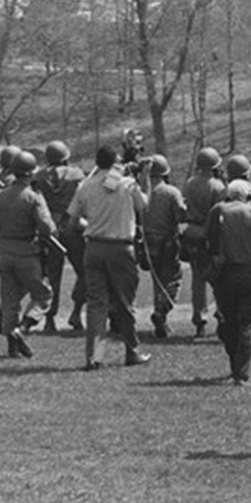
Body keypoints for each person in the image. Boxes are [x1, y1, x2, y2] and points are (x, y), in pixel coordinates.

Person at [67, 145, 150, 370]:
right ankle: (132, 351)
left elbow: (73, 222)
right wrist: (144, 177)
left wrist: (92, 225)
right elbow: (144, 206)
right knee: (124, 303)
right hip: (120, 248)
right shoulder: (126, 184)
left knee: (97, 305)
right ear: (115, 164)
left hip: (93, 247)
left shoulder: (85, 186)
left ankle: (95, 356)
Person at [0, 151, 56, 357]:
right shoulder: (33, 197)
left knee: (9, 301)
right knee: (43, 295)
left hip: (4, 253)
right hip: (27, 253)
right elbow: (47, 228)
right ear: (31, 173)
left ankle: (12, 349)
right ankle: (22, 329)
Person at [206, 179, 251, 384]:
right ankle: (241, 373)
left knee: (228, 321)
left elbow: (207, 237)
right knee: (248, 323)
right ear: (248, 195)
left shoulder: (217, 211)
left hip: (224, 273)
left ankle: (234, 366)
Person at [34, 140, 86, 332]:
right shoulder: (76, 175)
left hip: (51, 231)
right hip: (73, 229)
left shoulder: (38, 177)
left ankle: (50, 320)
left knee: (52, 276)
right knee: (85, 271)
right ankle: (76, 311)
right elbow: (83, 199)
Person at [181, 147, 225, 338]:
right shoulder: (218, 187)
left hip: (193, 235)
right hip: (212, 236)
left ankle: (200, 320)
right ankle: (221, 316)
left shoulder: (189, 184)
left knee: (198, 281)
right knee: (219, 281)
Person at [142, 155, 186, 339]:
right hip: (167, 241)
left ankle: (161, 320)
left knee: (157, 281)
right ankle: (161, 311)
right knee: (173, 280)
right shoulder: (171, 192)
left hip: (147, 243)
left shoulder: (141, 192)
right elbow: (180, 217)